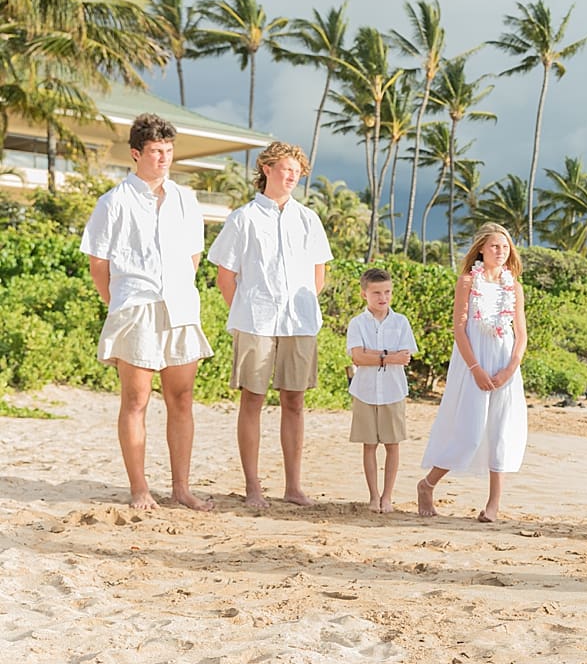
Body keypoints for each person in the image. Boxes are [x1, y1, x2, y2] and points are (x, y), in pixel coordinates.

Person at [81, 113, 215, 511]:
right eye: (156, 151)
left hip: (180, 306)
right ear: (136, 153)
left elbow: (193, 256)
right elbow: (98, 264)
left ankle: (181, 488)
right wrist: (119, 303)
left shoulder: (186, 200)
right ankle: (139, 488)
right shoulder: (113, 202)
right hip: (135, 306)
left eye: (168, 151)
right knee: (136, 400)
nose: (163, 159)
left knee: (182, 398)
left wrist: (176, 291)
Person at [207, 141, 333, 508]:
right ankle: (253, 487)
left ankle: (293, 487)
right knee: (253, 400)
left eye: (297, 171)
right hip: (255, 321)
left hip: (300, 322)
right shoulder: (243, 218)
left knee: (295, 401)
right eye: (286, 169)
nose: (292, 176)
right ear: (266, 169)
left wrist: (303, 308)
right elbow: (225, 277)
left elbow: (318, 274)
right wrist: (247, 311)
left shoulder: (308, 218)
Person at [417, 223, 528, 523]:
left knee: (500, 432)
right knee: (469, 432)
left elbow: (521, 335)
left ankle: (493, 504)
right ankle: (427, 485)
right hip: (473, 365)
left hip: (504, 366)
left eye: (505, 247)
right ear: (481, 248)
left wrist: (508, 370)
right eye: (494, 246)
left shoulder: (513, 287)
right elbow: (459, 329)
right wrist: (476, 369)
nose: (500, 252)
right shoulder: (468, 281)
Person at [346, 267, 419, 513]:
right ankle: (373, 496)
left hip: (393, 391)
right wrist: (389, 356)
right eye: (377, 292)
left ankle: (387, 497)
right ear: (364, 294)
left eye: (387, 292)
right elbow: (357, 357)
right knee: (369, 445)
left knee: (392, 444)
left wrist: (374, 355)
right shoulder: (357, 324)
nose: (383, 297)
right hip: (364, 391)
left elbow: (406, 357)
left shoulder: (401, 322)